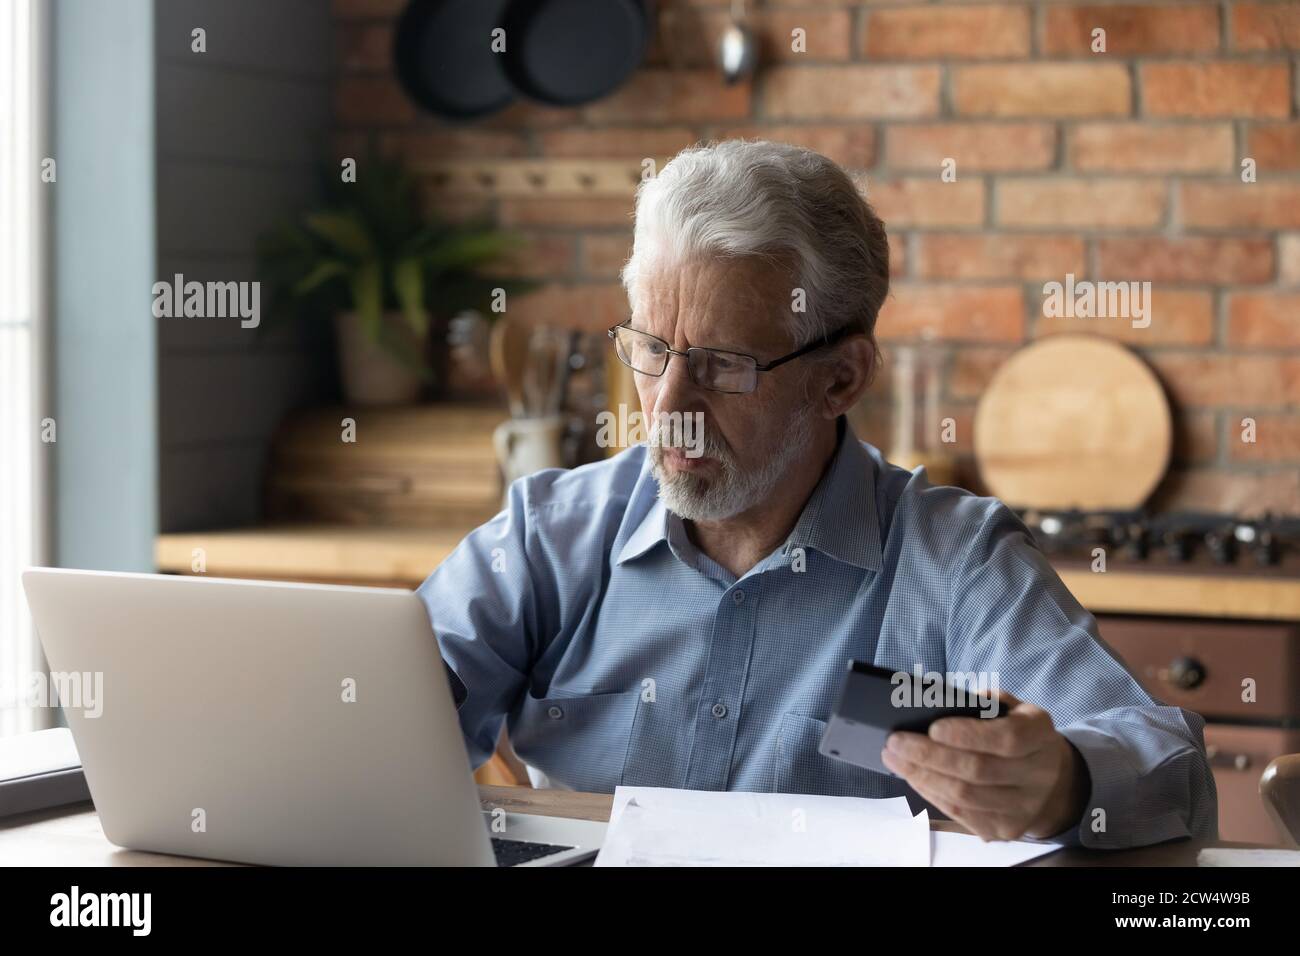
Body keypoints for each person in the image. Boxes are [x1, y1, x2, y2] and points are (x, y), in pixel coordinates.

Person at [417, 139, 1216, 848]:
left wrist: (1068, 781)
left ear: (840, 377)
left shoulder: (952, 563)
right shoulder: (548, 538)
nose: (666, 410)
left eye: (723, 365)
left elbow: (1164, 761)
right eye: (650, 350)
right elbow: (377, 726)